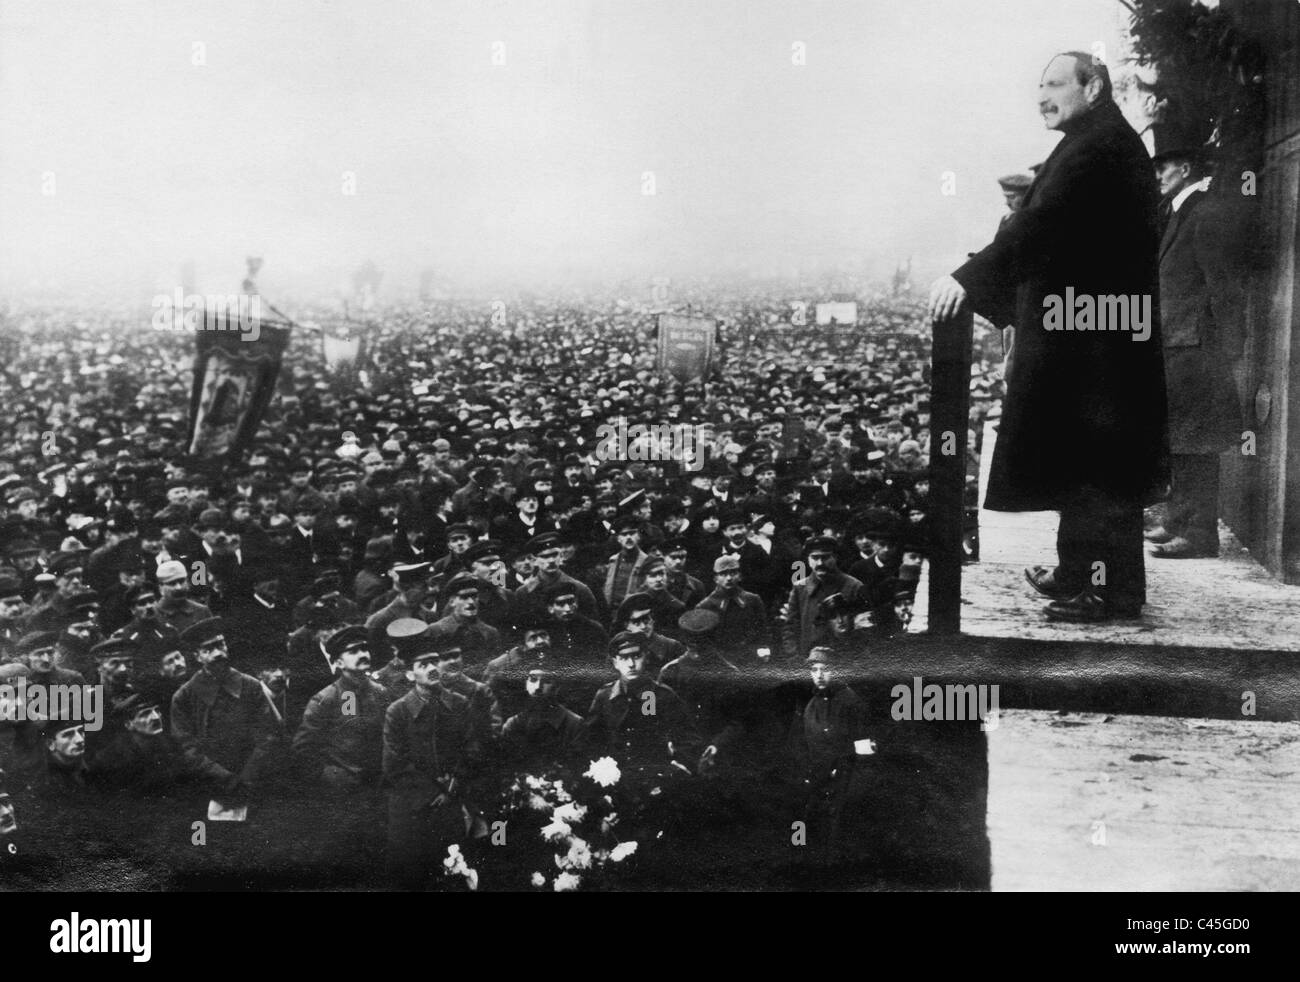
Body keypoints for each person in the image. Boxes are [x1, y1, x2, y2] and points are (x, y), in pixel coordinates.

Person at [929, 51, 1169, 622]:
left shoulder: (1099, 144)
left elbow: (1040, 225)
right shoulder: (1091, 138)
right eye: (1038, 87)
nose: (1042, 96)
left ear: (1094, 86)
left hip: (1099, 336)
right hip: (1090, 329)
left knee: (1099, 464)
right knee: (1081, 457)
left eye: (1056, 84)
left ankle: (1110, 592)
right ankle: (1079, 572)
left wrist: (968, 278)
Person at [1145, 145, 1244, 559]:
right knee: (1181, 439)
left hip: (1197, 345)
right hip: (1178, 342)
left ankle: (1200, 534)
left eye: (1164, 168)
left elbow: (1222, 284)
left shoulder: (1204, 213)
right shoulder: (1178, 211)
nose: (1159, 176)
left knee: (1197, 444)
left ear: (1185, 169)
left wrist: (1229, 344)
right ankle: (1179, 521)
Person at [381, 645, 475, 889]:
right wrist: (433, 793)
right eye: (423, 665)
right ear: (411, 675)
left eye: (435, 662)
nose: (433, 668)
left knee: (454, 871)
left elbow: (471, 748)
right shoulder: (398, 711)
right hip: (412, 810)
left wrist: (454, 783)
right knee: (413, 877)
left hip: (451, 803)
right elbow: (394, 763)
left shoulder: (459, 704)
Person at [169, 617, 279, 803]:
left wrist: (246, 779)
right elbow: (187, 749)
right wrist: (227, 780)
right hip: (210, 786)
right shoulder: (184, 697)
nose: (218, 653)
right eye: (208, 649)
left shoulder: (250, 685)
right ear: (197, 656)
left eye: (220, 645)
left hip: (255, 781)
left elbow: (267, 734)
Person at [292, 625, 393, 790]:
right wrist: (329, 775)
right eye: (353, 652)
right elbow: (303, 750)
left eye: (364, 649)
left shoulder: (380, 693)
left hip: (378, 785)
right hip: (342, 793)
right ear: (339, 662)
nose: (362, 655)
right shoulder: (325, 699)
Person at [779, 536, 866, 660]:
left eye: (825, 557)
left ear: (835, 557)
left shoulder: (854, 586)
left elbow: (863, 630)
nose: (820, 563)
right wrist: (795, 657)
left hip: (844, 661)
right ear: (808, 560)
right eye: (814, 558)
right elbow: (790, 628)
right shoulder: (800, 588)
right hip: (808, 662)